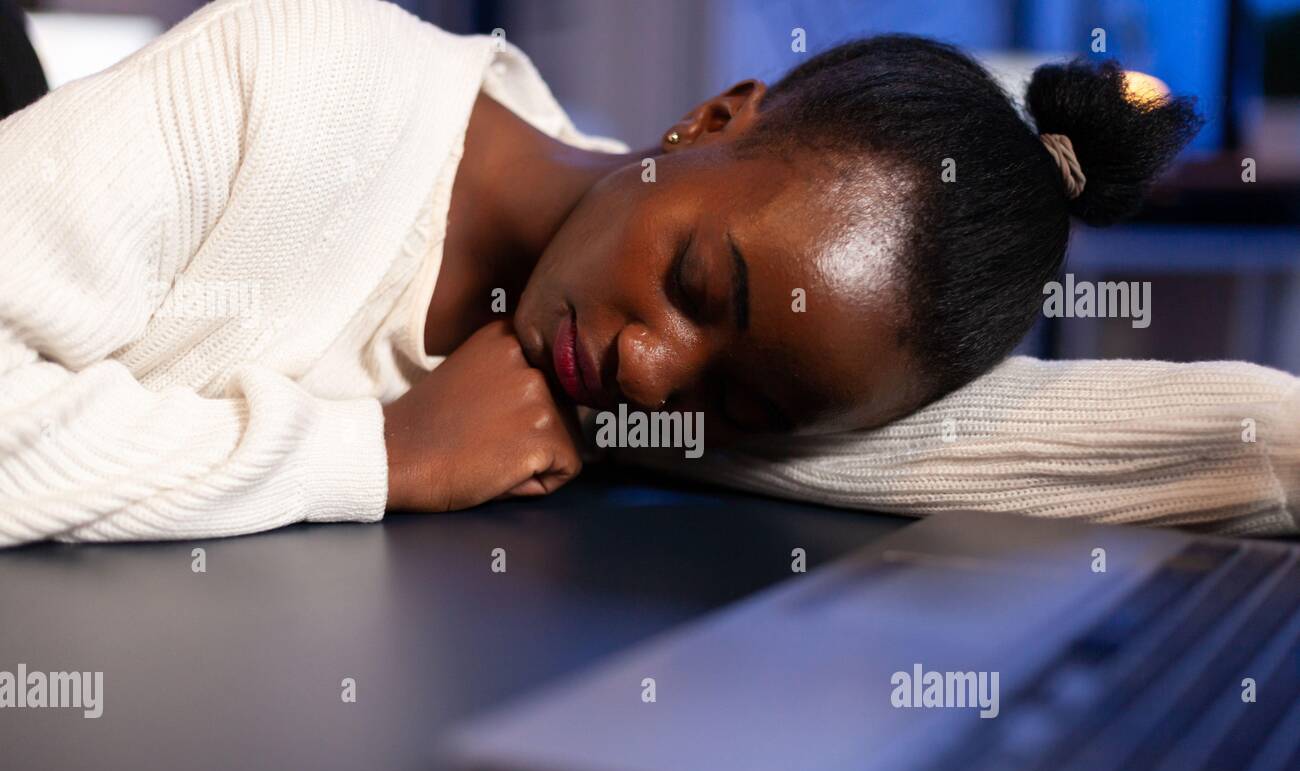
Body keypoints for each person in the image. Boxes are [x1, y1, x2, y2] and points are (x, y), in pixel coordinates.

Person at [1, 0, 1293, 545]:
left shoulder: (673, 386)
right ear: (714, 118)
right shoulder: (284, 85)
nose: (648, 373)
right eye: (698, 285)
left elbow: (1050, 437)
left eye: (746, 406)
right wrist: (378, 458)